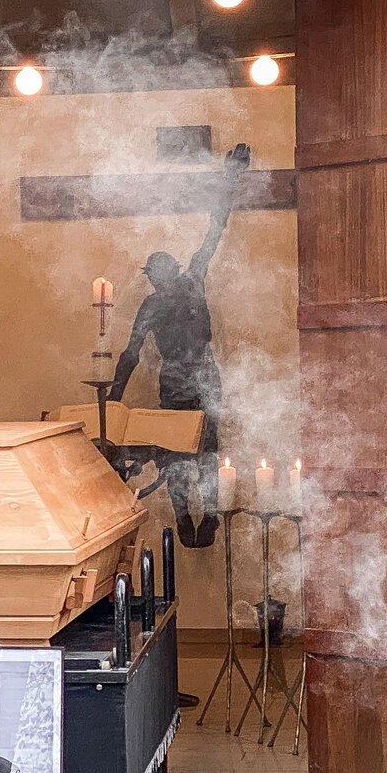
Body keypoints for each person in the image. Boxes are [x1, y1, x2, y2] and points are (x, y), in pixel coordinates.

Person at [108, 143, 248, 547]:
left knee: (208, 449)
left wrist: (230, 179)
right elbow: (130, 354)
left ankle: (211, 518)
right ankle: (185, 516)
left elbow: (214, 229)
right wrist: (113, 402)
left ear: (171, 268)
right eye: (151, 273)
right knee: (173, 453)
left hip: (203, 372)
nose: (155, 278)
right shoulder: (150, 306)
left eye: (159, 270)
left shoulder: (192, 280)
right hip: (175, 378)